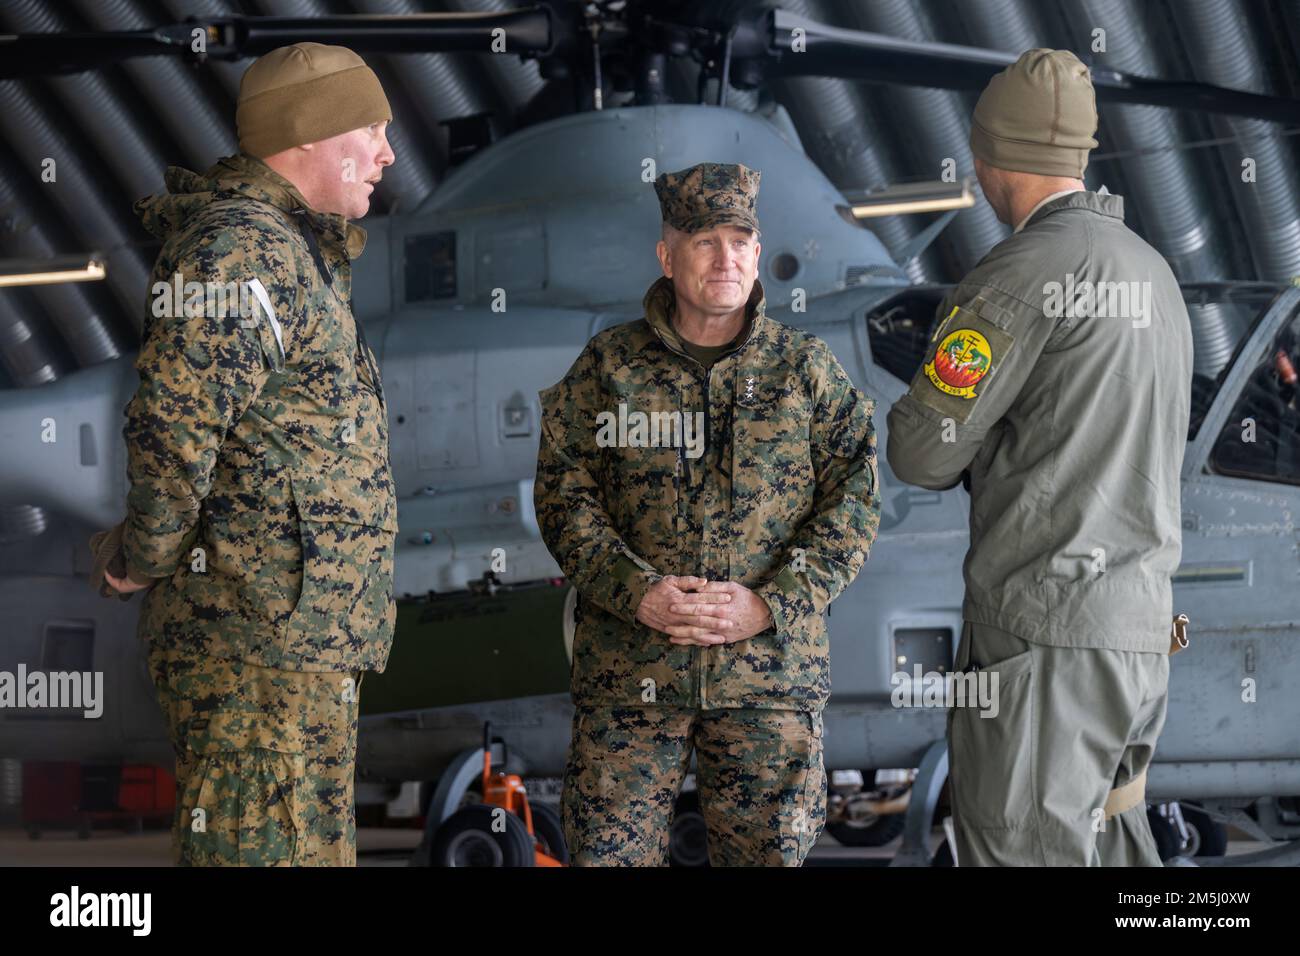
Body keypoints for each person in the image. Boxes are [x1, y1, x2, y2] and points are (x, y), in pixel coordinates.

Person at [886, 49, 1193, 866]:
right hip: (1138, 636)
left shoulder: (1021, 273)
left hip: (1044, 643)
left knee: (1023, 848)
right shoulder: (1153, 274)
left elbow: (920, 451)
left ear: (987, 155)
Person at [100, 41, 397, 865]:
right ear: (309, 134)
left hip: (295, 656)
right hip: (253, 657)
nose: (387, 154)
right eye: (370, 130)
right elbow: (173, 424)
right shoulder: (244, 250)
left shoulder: (292, 252)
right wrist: (145, 555)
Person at [535, 161, 881, 865]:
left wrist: (772, 602)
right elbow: (563, 495)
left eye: (739, 240)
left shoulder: (805, 371)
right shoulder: (609, 369)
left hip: (767, 682)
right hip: (632, 676)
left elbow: (855, 503)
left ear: (758, 253)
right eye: (703, 241)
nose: (725, 258)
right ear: (667, 256)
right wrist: (638, 593)